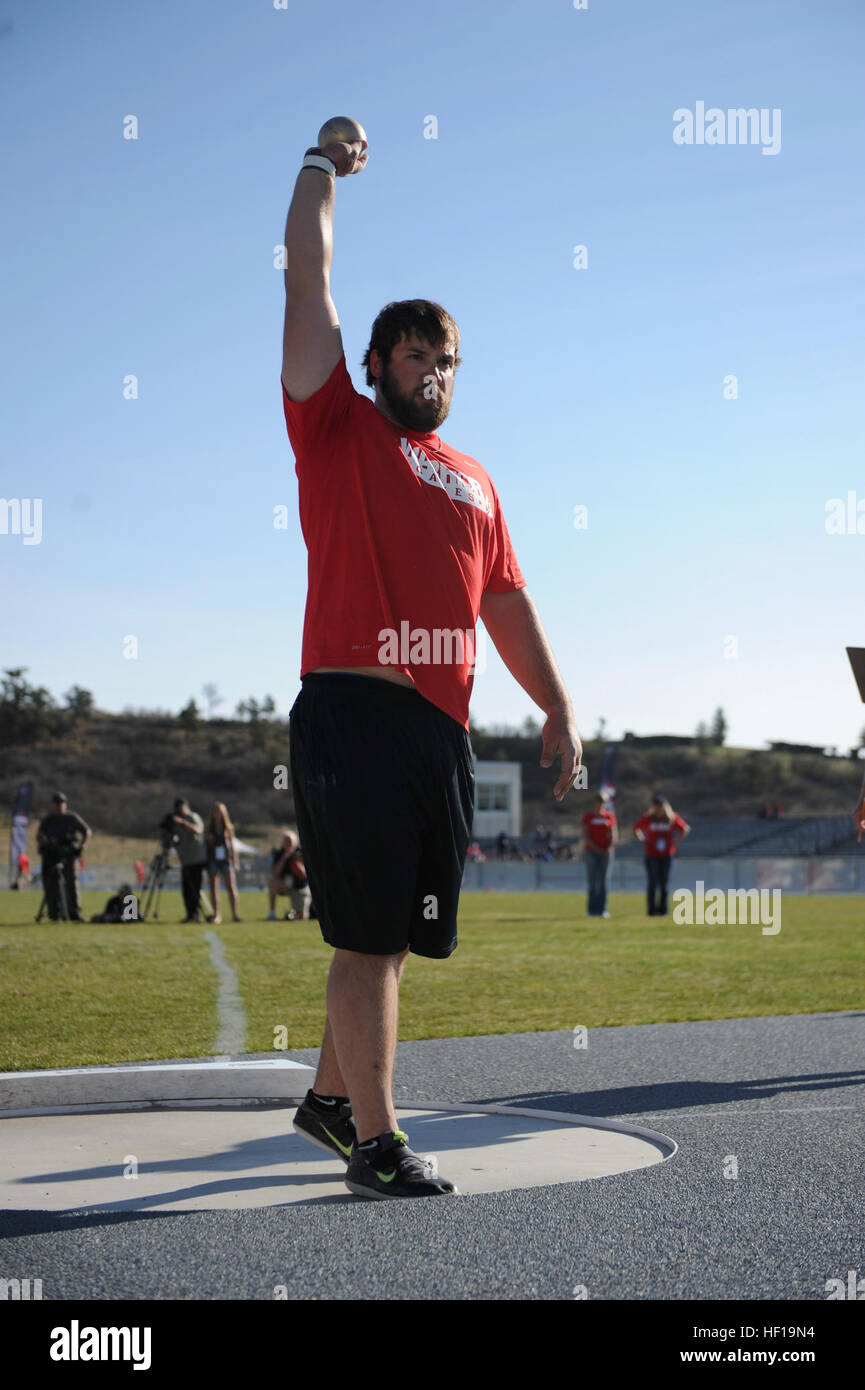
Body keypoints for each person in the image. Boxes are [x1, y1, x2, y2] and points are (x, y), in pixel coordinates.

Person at [280, 118, 582, 1199]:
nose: (435, 371)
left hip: (438, 731)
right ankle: (375, 1141)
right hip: (354, 712)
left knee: (396, 943)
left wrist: (554, 704)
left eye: (446, 358)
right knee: (365, 943)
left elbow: (504, 595)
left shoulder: (475, 476)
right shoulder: (337, 426)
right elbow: (306, 277)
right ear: (375, 364)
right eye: (417, 354)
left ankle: (326, 1098)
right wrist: (319, 165)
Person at [633, 794, 690, 916]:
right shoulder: (647, 818)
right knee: (652, 882)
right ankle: (652, 910)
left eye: (661, 806)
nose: (659, 808)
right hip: (651, 854)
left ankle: (663, 910)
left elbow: (685, 828)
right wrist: (642, 839)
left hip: (666, 854)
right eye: (657, 806)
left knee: (664, 883)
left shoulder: (671, 818)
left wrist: (675, 841)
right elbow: (636, 828)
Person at [36, 792, 91, 921]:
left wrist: (82, 846)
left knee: (71, 882)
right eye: (57, 804)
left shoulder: (72, 818)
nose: (59, 806)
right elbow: (40, 835)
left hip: (68, 854)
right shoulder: (48, 820)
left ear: (65, 805)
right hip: (51, 855)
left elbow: (87, 832)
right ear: (53, 805)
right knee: (51, 883)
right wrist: (47, 842)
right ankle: (54, 912)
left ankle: (74, 912)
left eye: (62, 803)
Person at [580, 793, 618, 918]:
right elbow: (585, 836)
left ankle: (603, 909)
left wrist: (607, 848)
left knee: (604, 881)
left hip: (606, 852)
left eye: (602, 802)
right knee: (592, 881)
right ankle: (591, 910)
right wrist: (596, 849)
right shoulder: (588, 817)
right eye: (598, 801)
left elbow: (614, 834)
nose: (600, 804)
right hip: (591, 852)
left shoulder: (609, 817)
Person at [171, 798, 207, 923]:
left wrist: (183, 823)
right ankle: (190, 915)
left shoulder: (192, 817)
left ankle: (195, 914)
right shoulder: (176, 822)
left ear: (187, 807)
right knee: (186, 889)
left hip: (196, 859)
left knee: (194, 888)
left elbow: (198, 830)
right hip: (185, 860)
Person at [206, 801, 242, 924]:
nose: (217, 814)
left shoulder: (229, 827)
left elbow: (233, 846)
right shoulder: (209, 827)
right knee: (214, 888)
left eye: (219, 812)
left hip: (226, 860)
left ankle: (235, 914)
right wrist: (209, 839)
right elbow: (206, 844)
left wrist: (235, 861)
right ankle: (217, 915)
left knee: (231, 887)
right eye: (215, 812)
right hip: (213, 859)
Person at [266, 829, 311, 921]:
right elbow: (275, 874)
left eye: (290, 841)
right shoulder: (279, 853)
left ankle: (296, 912)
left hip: (300, 887)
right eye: (286, 841)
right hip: (285, 885)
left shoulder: (301, 853)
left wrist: (298, 866)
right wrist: (284, 858)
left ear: (296, 842)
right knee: (272, 882)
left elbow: (306, 875)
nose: (288, 843)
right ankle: (272, 913)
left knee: (302, 917)